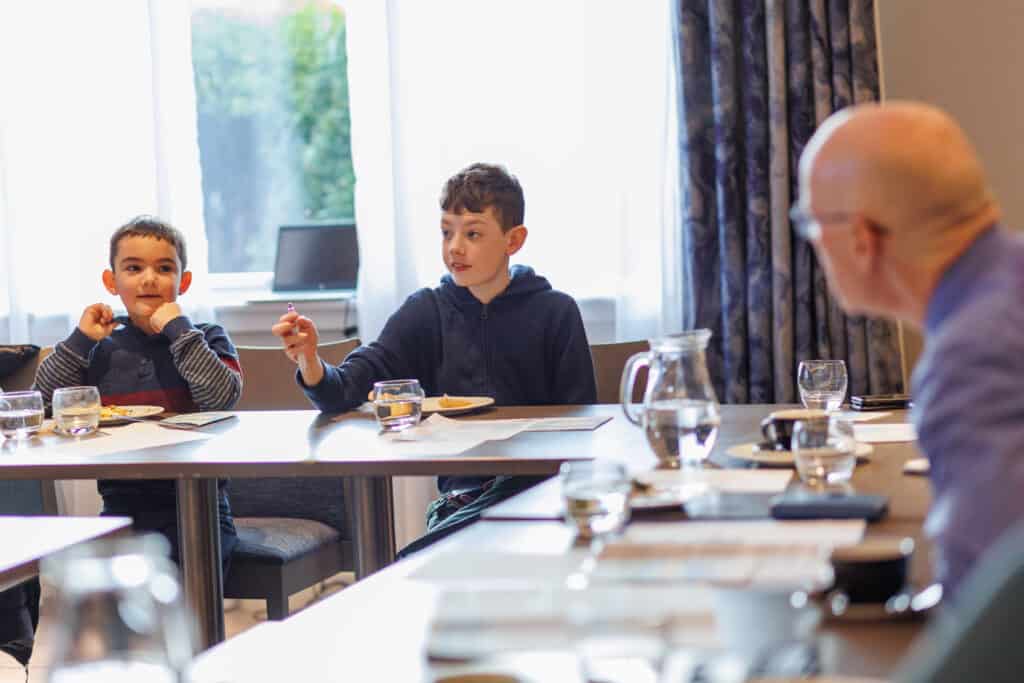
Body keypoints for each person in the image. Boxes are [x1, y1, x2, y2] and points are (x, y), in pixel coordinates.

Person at [272, 162, 597, 554]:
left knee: (423, 558)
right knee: (439, 549)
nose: (454, 248)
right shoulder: (426, 310)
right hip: (461, 499)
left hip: (539, 493)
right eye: (446, 233)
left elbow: (583, 427)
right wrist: (309, 361)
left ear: (514, 240)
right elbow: (342, 390)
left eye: (472, 234)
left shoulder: (555, 312)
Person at [795, 101, 1024, 598]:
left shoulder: (971, 357)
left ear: (861, 238)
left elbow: (993, 605)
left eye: (810, 223)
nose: (811, 243)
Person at [34, 216, 243, 573]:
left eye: (164, 268)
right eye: (133, 268)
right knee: (102, 595)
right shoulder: (100, 344)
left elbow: (220, 397)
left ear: (184, 281)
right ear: (111, 281)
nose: (149, 279)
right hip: (120, 506)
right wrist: (81, 341)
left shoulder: (204, 336)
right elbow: (42, 400)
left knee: (185, 591)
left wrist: (179, 330)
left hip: (200, 507)